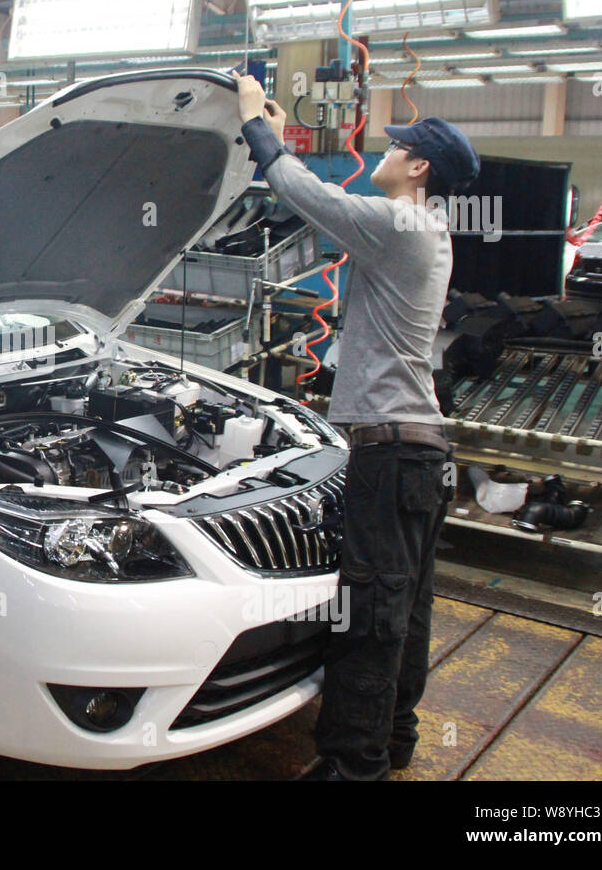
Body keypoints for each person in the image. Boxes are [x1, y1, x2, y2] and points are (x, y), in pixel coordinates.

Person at [235, 75, 480, 781]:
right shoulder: (424, 231)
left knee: (369, 611)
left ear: (419, 166)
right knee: (406, 607)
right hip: (420, 455)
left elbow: (309, 197)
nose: (386, 151)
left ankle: (352, 765)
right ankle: (393, 740)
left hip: (393, 450)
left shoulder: (400, 222)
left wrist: (259, 128)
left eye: (398, 146)